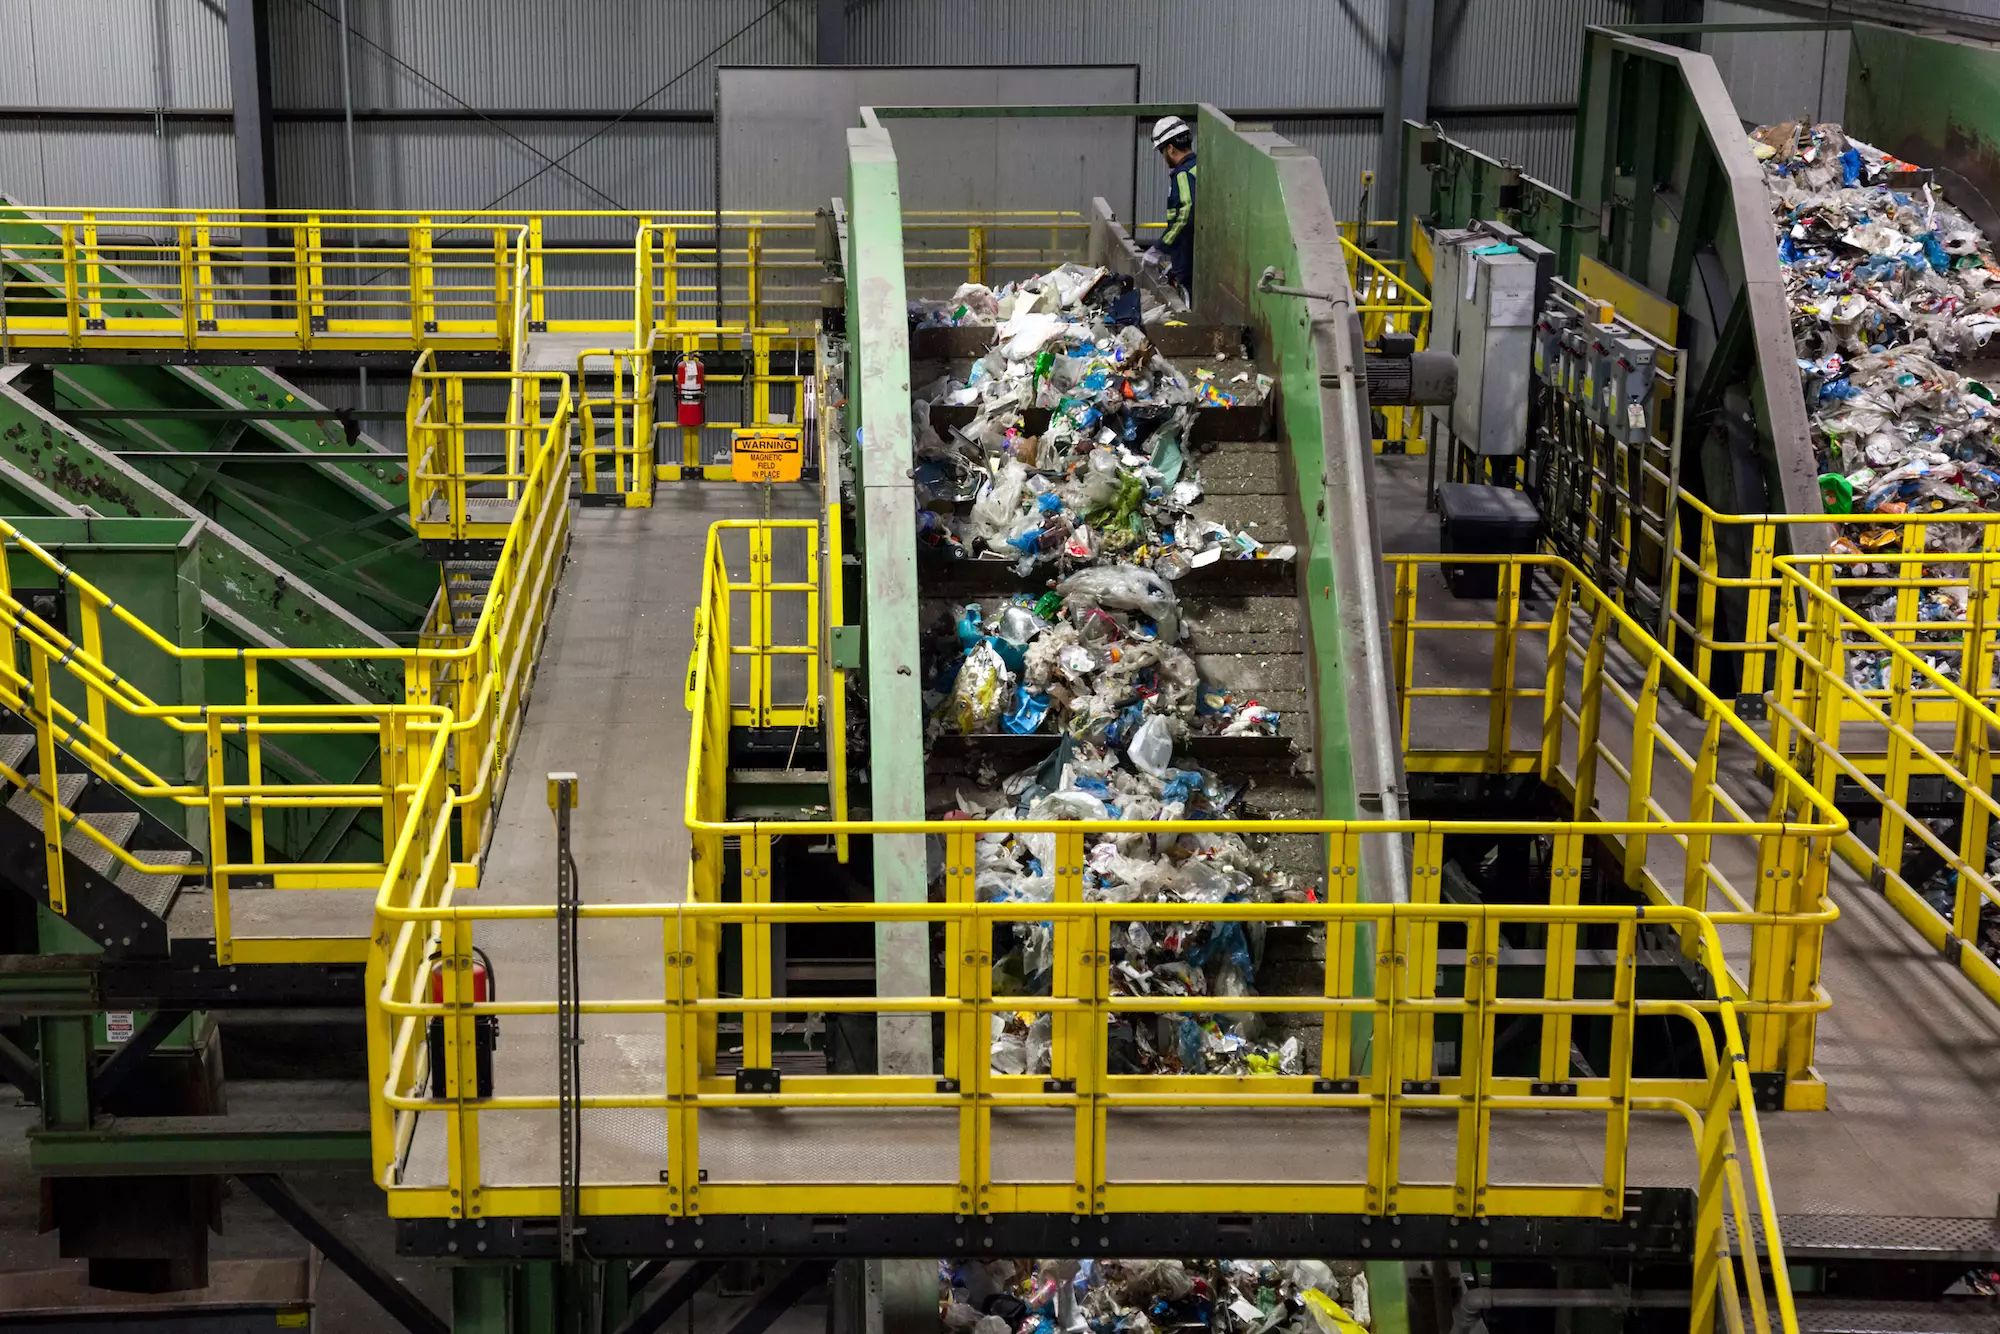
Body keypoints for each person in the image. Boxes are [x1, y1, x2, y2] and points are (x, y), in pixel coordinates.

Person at [1147, 115, 1198, 294]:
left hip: (1188, 260)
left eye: (1162, 152)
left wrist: (1159, 248)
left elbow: (1185, 214)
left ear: (1170, 148)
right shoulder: (1199, 168)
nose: (1163, 158)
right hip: (1195, 257)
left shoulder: (1183, 174)